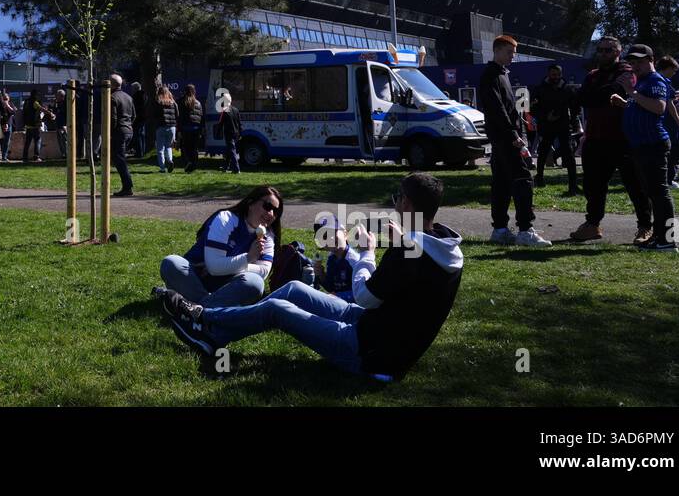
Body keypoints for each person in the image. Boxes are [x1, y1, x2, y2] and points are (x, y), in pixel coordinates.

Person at [157, 172, 464, 380]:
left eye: (398, 198)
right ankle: (212, 329)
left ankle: (205, 322)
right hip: (377, 327)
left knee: (278, 309)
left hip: (371, 352)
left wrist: (368, 254)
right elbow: (404, 287)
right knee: (292, 289)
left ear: (406, 204)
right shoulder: (443, 246)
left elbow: (365, 296)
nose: (395, 203)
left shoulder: (410, 250)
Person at [568, 36, 650, 243]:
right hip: (595, 138)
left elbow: (614, 93)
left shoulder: (627, 72)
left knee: (635, 185)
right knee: (593, 186)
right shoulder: (593, 75)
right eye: (601, 50)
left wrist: (594, 96)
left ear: (617, 52)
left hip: (624, 139)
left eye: (608, 50)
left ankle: (645, 226)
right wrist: (597, 96)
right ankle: (592, 224)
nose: (603, 54)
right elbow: (583, 99)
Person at [478, 35, 550, 246]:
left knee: (501, 182)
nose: (513, 57)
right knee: (522, 179)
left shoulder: (501, 74)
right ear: (497, 50)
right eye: (509, 52)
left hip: (503, 137)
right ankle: (525, 230)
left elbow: (507, 109)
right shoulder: (491, 75)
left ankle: (500, 229)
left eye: (514, 53)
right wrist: (513, 135)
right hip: (505, 137)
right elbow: (496, 109)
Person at [157, 185, 281, 309]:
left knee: (256, 283)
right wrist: (248, 258)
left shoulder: (268, 236)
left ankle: (197, 308)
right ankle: (211, 306)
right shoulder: (226, 219)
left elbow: (263, 272)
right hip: (197, 276)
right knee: (171, 263)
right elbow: (214, 267)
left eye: (276, 211)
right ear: (250, 203)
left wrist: (229, 266)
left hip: (226, 282)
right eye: (267, 206)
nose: (271, 214)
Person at [610, 45, 678, 251]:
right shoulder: (644, 81)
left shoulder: (655, 80)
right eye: (632, 62)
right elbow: (642, 108)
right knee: (654, 193)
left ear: (652, 60)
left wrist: (631, 92)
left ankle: (668, 239)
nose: (635, 66)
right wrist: (626, 102)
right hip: (642, 145)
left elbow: (659, 107)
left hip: (652, 144)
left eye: (640, 61)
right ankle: (660, 237)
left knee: (660, 193)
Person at [530, 64, 579, 193]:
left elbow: (575, 108)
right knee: (543, 152)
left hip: (563, 126)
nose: (555, 77)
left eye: (557, 75)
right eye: (553, 75)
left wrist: (573, 123)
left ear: (561, 74)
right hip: (546, 125)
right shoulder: (540, 89)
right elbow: (532, 108)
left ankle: (573, 184)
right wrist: (545, 116)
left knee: (569, 154)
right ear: (548, 74)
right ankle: (539, 177)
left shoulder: (567, 89)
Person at [656, 57, 679, 190]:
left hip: (664, 123)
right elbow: (670, 105)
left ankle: (667, 179)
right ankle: (669, 180)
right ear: (667, 68)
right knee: (673, 150)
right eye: (673, 70)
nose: (674, 73)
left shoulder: (658, 80)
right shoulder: (662, 82)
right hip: (668, 123)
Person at [109, 73, 136, 197]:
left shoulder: (112, 97)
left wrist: (109, 132)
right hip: (128, 130)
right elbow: (134, 115)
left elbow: (113, 119)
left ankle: (127, 186)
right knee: (120, 158)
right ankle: (127, 186)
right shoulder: (128, 97)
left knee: (119, 160)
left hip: (118, 131)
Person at [178, 83, 204, 174]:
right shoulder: (198, 103)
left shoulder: (182, 101)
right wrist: (201, 129)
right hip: (196, 128)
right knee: (194, 148)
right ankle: (194, 164)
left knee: (185, 148)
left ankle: (188, 163)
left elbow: (180, 116)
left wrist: (179, 129)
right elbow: (201, 117)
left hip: (186, 128)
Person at [152, 85, 178, 173]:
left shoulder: (158, 102)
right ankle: (170, 160)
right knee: (169, 146)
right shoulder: (173, 102)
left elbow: (154, 115)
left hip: (161, 126)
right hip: (172, 127)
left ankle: (162, 167)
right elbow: (177, 114)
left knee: (160, 148)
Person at [216, 92, 243, 175]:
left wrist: (217, 132)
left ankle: (236, 169)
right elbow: (239, 123)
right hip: (236, 133)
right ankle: (226, 167)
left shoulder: (224, 111)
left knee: (232, 150)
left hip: (229, 133)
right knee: (229, 150)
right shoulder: (236, 110)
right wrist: (240, 133)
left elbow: (220, 123)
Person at [21, 90, 48, 163]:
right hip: (35, 125)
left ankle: (24, 157)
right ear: (36, 95)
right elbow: (41, 109)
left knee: (27, 142)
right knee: (37, 140)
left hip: (28, 125)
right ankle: (36, 157)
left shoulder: (26, 102)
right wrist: (50, 113)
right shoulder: (35, 102)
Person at [0, 91, 16, 163]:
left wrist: (7, 105)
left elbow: (13, 112)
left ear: (9, 99)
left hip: (9, 125)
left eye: (6, 99)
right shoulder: (0, 105)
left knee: (7, 142)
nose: (5, 100)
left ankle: (4, 157)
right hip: (1, 125)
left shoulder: (10, 104)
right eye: (4, 99)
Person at [131, 82, 147, 157]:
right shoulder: (145, 95)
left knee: (137, 136)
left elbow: (134, 108)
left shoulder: (136, 96)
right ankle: (142, 152)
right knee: (142, 135)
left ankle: (139, 153)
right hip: (143, 118)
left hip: (138, 118)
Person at [52, 89, 69, 160]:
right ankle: (63, 154)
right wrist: (54, 104)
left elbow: (64, 114)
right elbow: (55, 111)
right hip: (58, 124)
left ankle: (67, 154)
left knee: (64, 139)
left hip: (63, 124)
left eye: (58, 95)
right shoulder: (57, 103)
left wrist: (65, 125)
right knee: (59, 140)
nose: (56, 97)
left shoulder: (65, 103)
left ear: (62, 96)